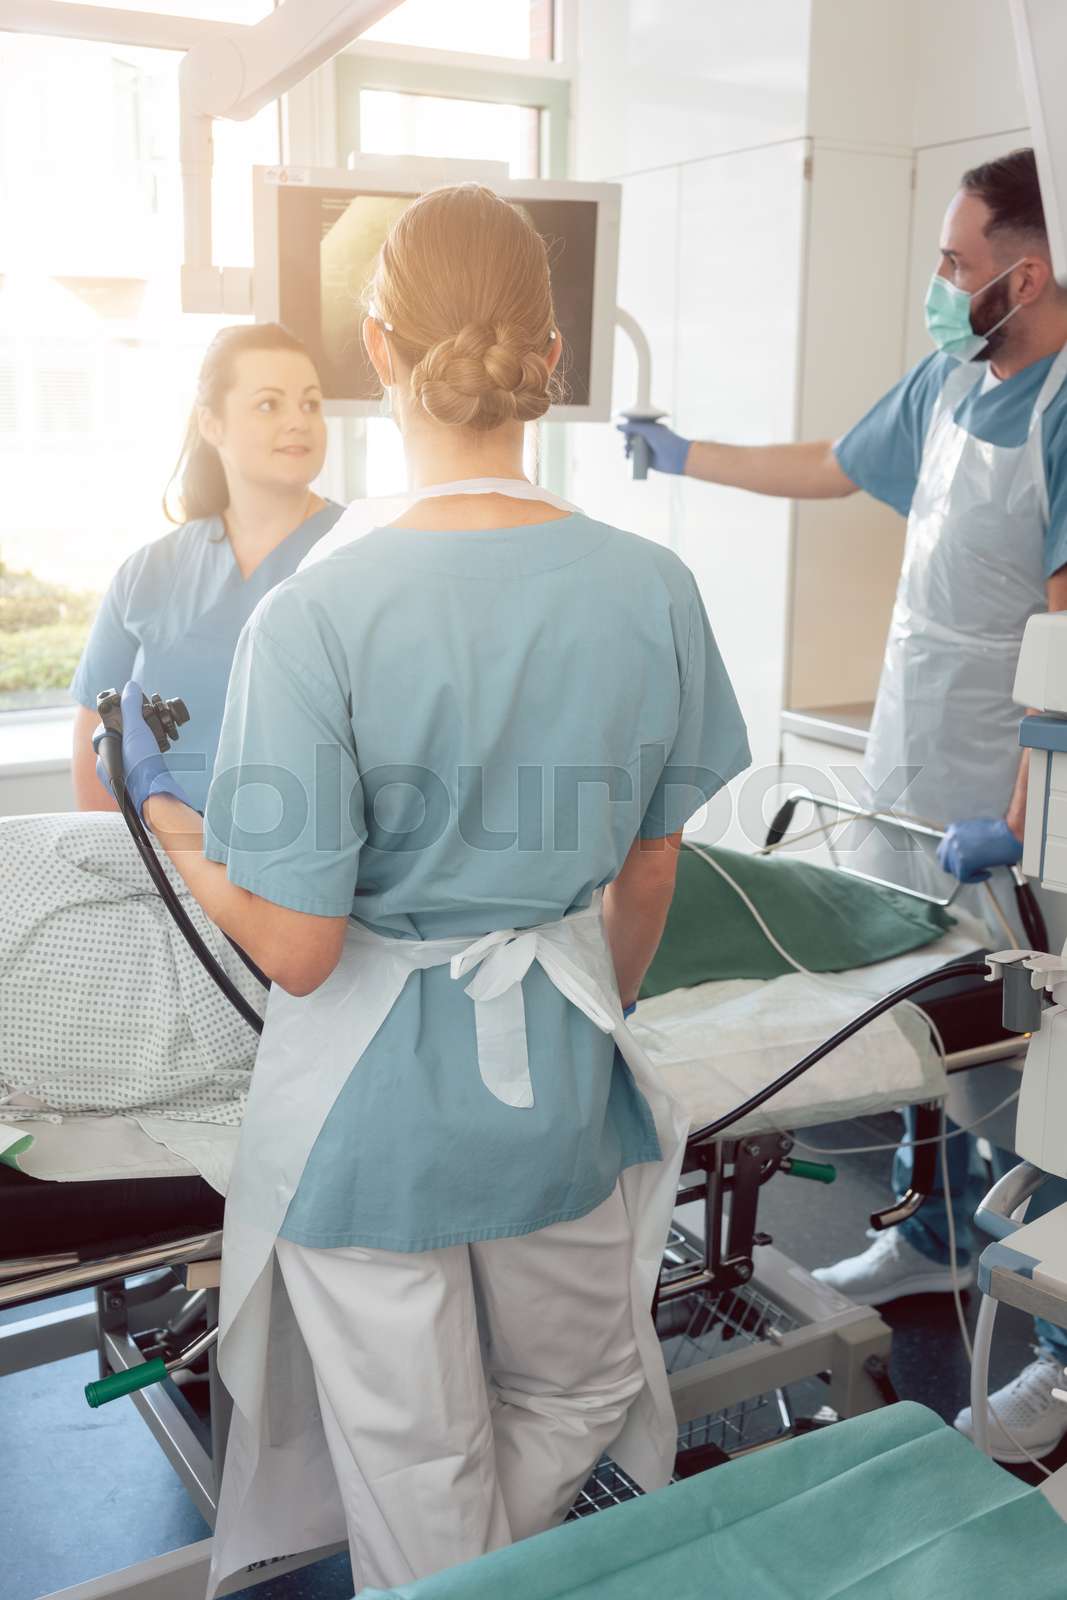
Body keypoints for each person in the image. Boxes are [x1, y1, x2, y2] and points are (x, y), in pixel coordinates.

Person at [99, 184, 750, 1593]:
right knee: (579, 1393)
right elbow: (650, 865)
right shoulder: (651, 586)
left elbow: (303, 948)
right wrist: (592, 997)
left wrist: (191, 847)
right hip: (559, 1086)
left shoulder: (317, 613)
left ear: (377, 348)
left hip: (363, 1117)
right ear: (551, 348)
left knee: (412, 1465)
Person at [620, 148, 1067, 1461]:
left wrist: (1024, 814)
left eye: (951, 264)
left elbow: (1064, 655)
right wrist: (684, 453)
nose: (937, 286)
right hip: (904, 778)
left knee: (1025, 1079)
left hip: (1009, 812)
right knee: (932, 1041)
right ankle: (931, 1241)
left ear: (1020, 272)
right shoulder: (945, 382)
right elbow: (828, 462)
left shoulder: (1056, 409)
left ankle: (1052, 1348)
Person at [70, 323, 344, 814]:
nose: (299, 421)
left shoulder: (358, 558)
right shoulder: (147, 574)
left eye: (311, 403)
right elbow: (98, 737)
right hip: (159, 872)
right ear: (211, 424)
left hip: (313, 872)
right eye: (269, 404)